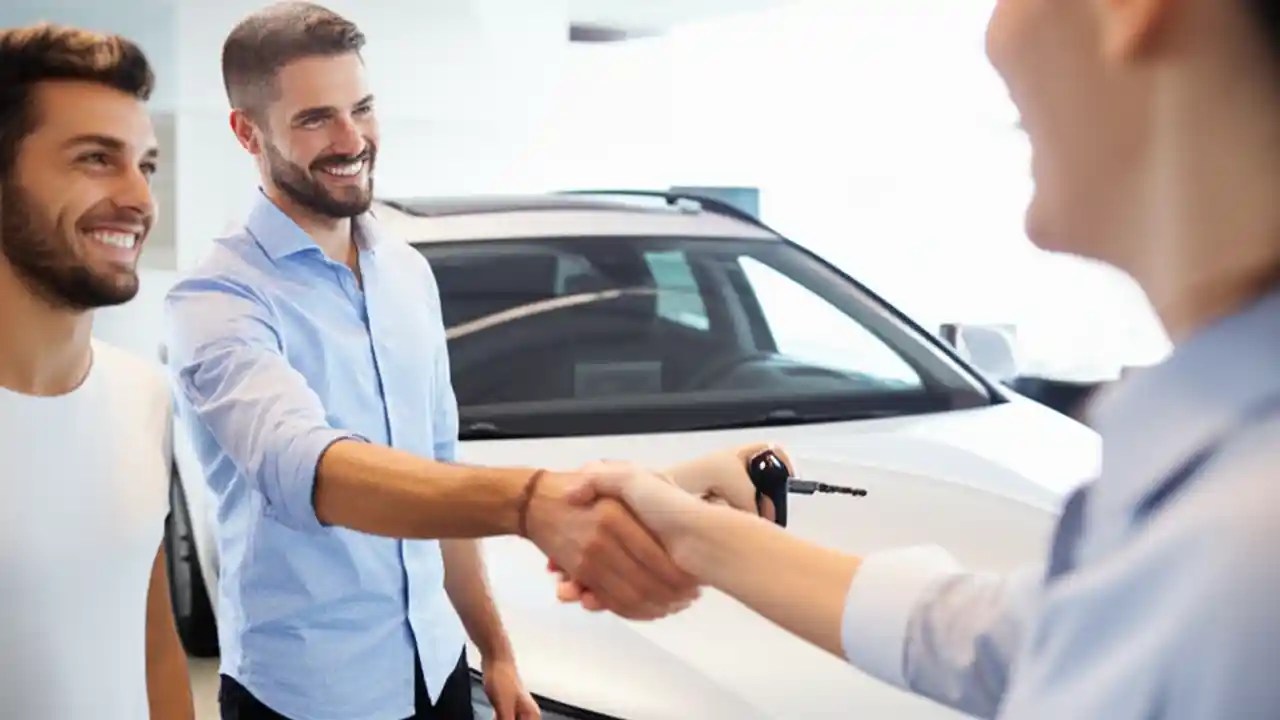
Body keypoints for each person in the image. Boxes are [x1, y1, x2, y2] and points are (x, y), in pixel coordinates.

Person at [557, 0, 1280, 717]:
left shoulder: (1244, 550)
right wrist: (697, 535)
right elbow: (1015, 640)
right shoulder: (1222, 504)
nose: (994, 34)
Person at [162, 3, 696, 719]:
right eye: (316, 117)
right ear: (246, 132)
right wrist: (529, 502)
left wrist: (495, 650)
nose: (353, 139)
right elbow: (306, 466)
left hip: (438, 667)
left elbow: (438, 471)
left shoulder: (406, 273)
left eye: (363, 107)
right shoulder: (218, 299)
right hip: (311, 695)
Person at [0, 22, 194, 720]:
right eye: (94, 159)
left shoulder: (143, 396)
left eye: (145, 165)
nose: (139, 199)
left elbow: (154, 651)